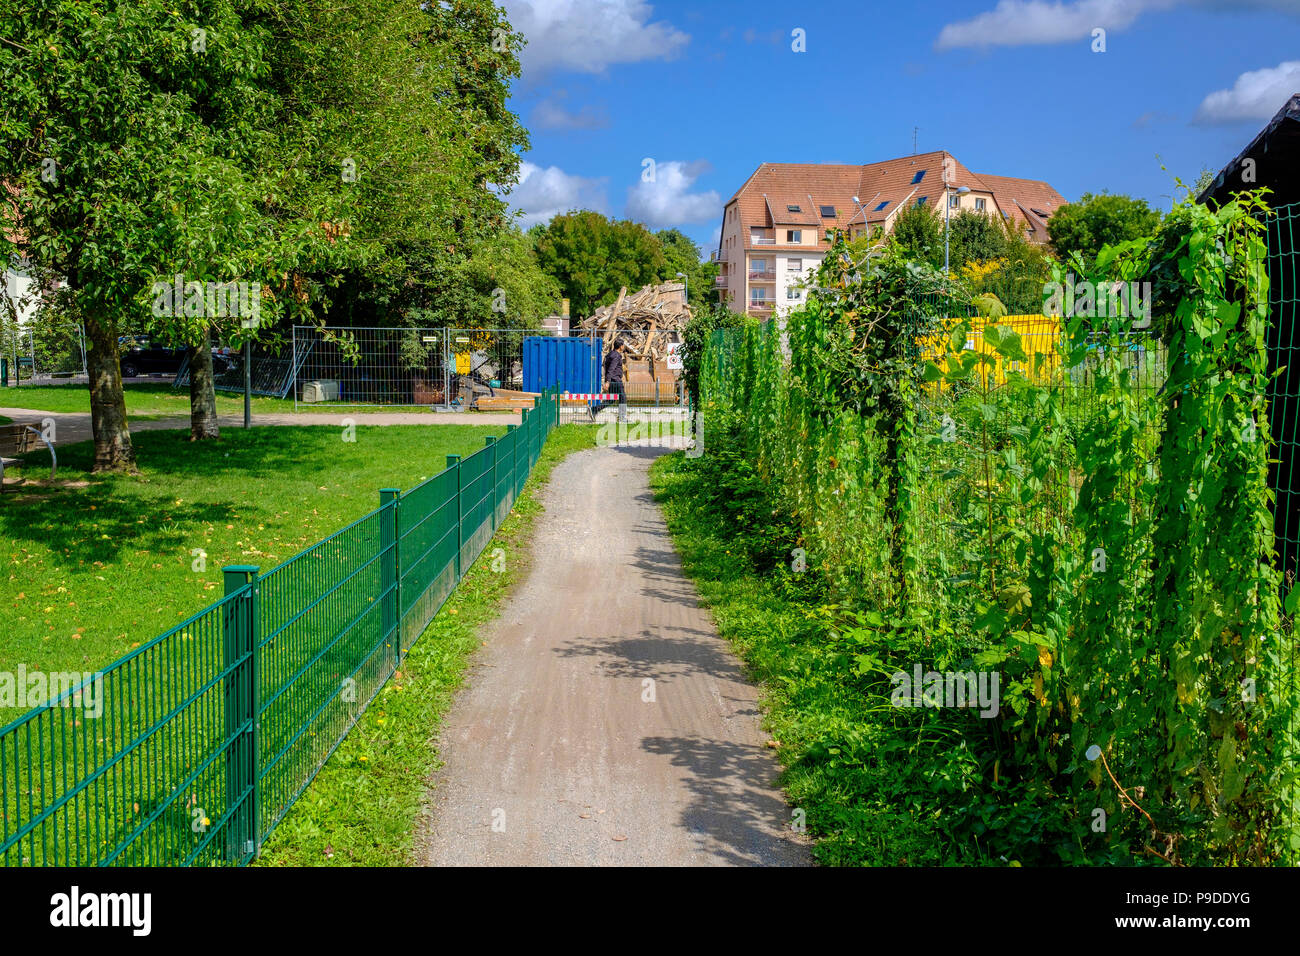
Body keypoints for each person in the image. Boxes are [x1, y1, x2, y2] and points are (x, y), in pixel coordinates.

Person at [595, 340, 628, 422]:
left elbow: (606, 368)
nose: (623, 347)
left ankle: (594, 409)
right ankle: (622, 417)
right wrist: (607, 382)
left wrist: (607, 380)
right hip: (616, 380)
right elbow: (611, 369)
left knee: (611, 399)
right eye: (623, 345)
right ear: (620, 346)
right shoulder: (616, 356)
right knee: (622, 397)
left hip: (612, 379)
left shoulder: (610, 354)